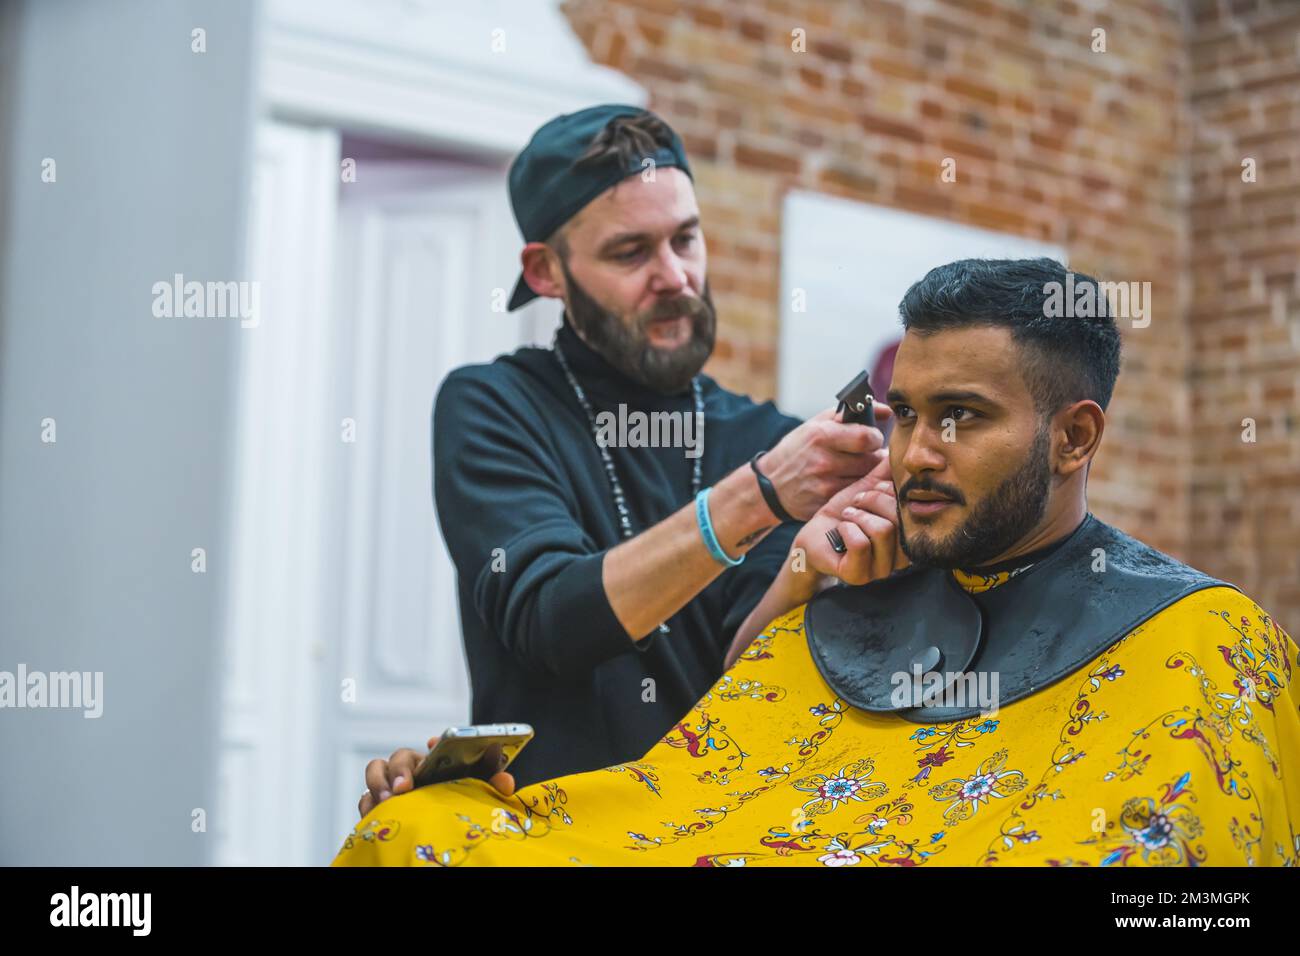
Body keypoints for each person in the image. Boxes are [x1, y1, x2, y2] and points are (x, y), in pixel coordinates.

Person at [336, 258, 1298, 866]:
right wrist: (800, 580)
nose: (917, 452)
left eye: (962, 416)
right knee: (420, 831)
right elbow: (703, 787)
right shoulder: (853, 583)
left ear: (1075, 436)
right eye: (908, 414)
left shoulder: (1205, 643)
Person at [357, 105, 893, 812]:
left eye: (686, 239)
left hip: (716, 834)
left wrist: (810, 564)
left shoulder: (763, 434)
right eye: (630, 252)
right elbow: (549, 619)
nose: (674, 276)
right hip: (546, 841)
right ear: (546, 270)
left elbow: (745, 663)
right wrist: (762, 497)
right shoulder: (494, 405)